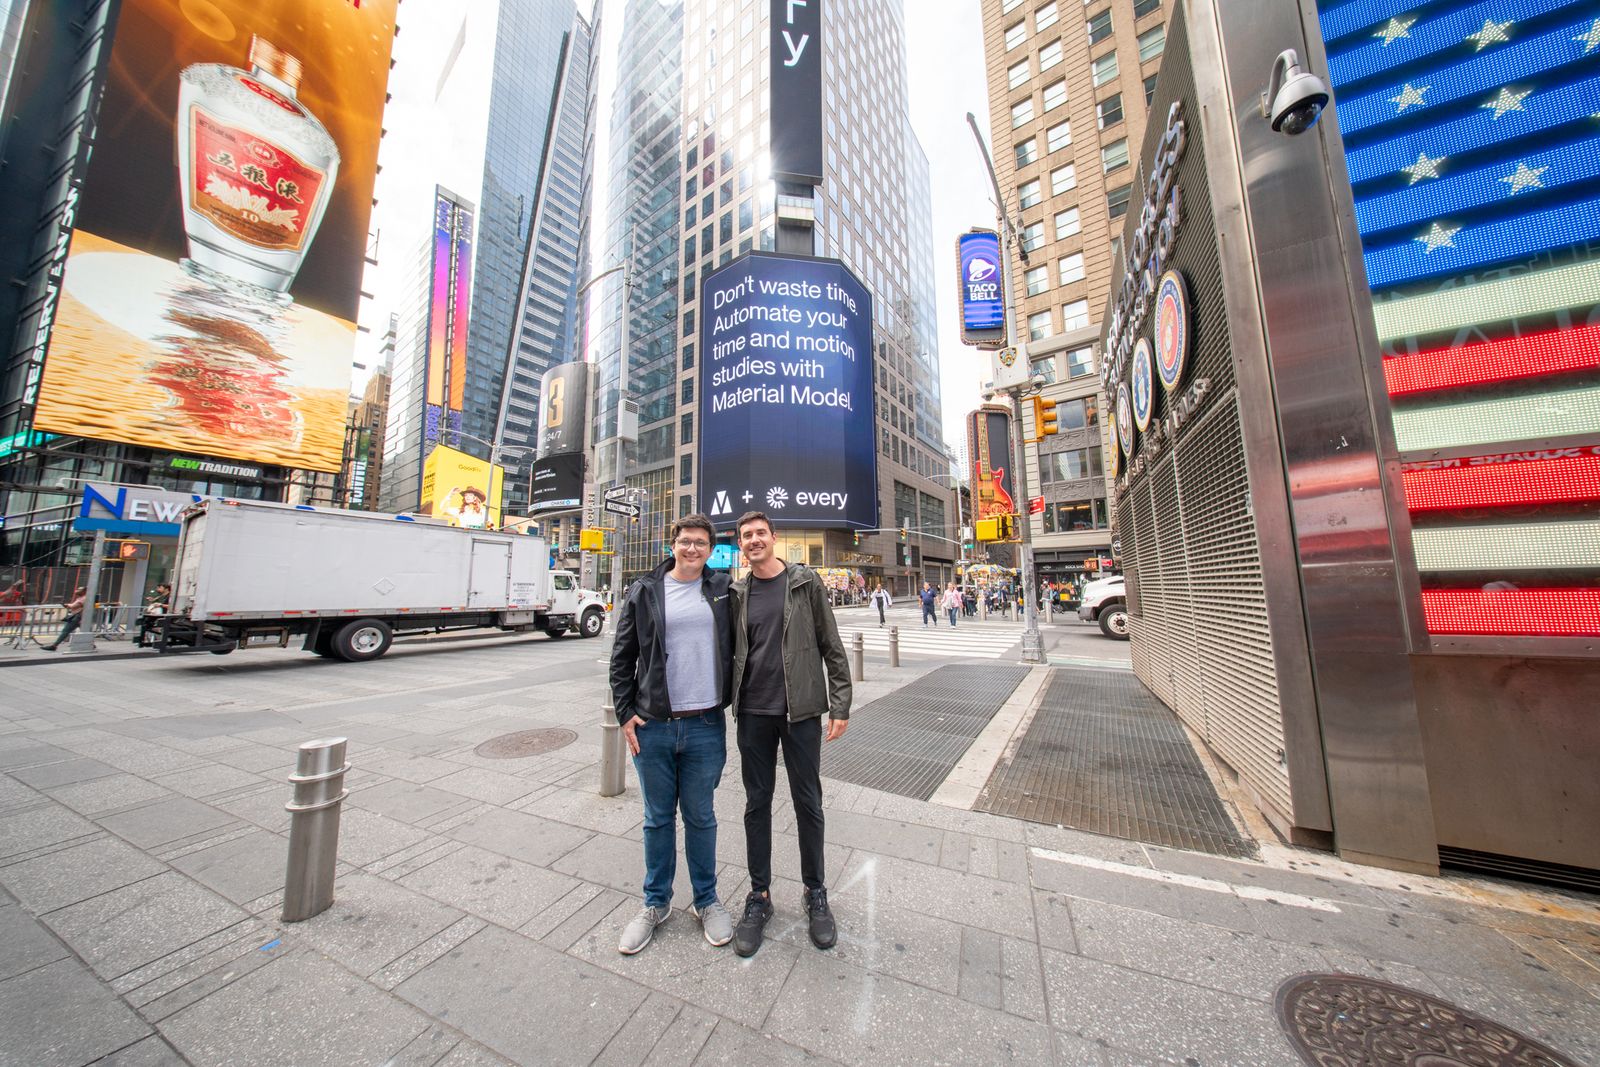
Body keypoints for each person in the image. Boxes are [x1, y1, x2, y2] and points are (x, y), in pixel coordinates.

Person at [608, 513, 735, 955]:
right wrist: (625, 714)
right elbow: (622, 657)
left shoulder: (722, 590)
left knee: (701, 817)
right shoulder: (645, 591)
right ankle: (655, 903)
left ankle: (706, 899)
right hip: (655, 726)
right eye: (685, 541)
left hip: (704, 725)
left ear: (711, 549)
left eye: (701, 542)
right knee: (657, 818)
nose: (692, 549)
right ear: (673, 545)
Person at [729, 510, 851, 957]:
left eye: (761, 533)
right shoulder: (737, 592)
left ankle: (814, 892)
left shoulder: (805, 583)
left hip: (800, 712)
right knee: (756, 805)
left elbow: (830, 644)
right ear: (740, 543)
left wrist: (841, 703)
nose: (754, 540)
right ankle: (759, 897)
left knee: (808, 803)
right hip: (753, 713)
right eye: (747, 535)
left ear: (774, 538)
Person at [43, 586, 87, 651]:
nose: (77, 590)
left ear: (84, 591)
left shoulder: (83, 598)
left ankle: (54, 646)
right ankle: (92, 644)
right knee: (85, 631)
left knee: (66, 631)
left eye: (79, 589)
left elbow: (73, 606)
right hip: (79, 617)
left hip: (77, 618)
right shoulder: (81, 598)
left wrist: (66, 605)